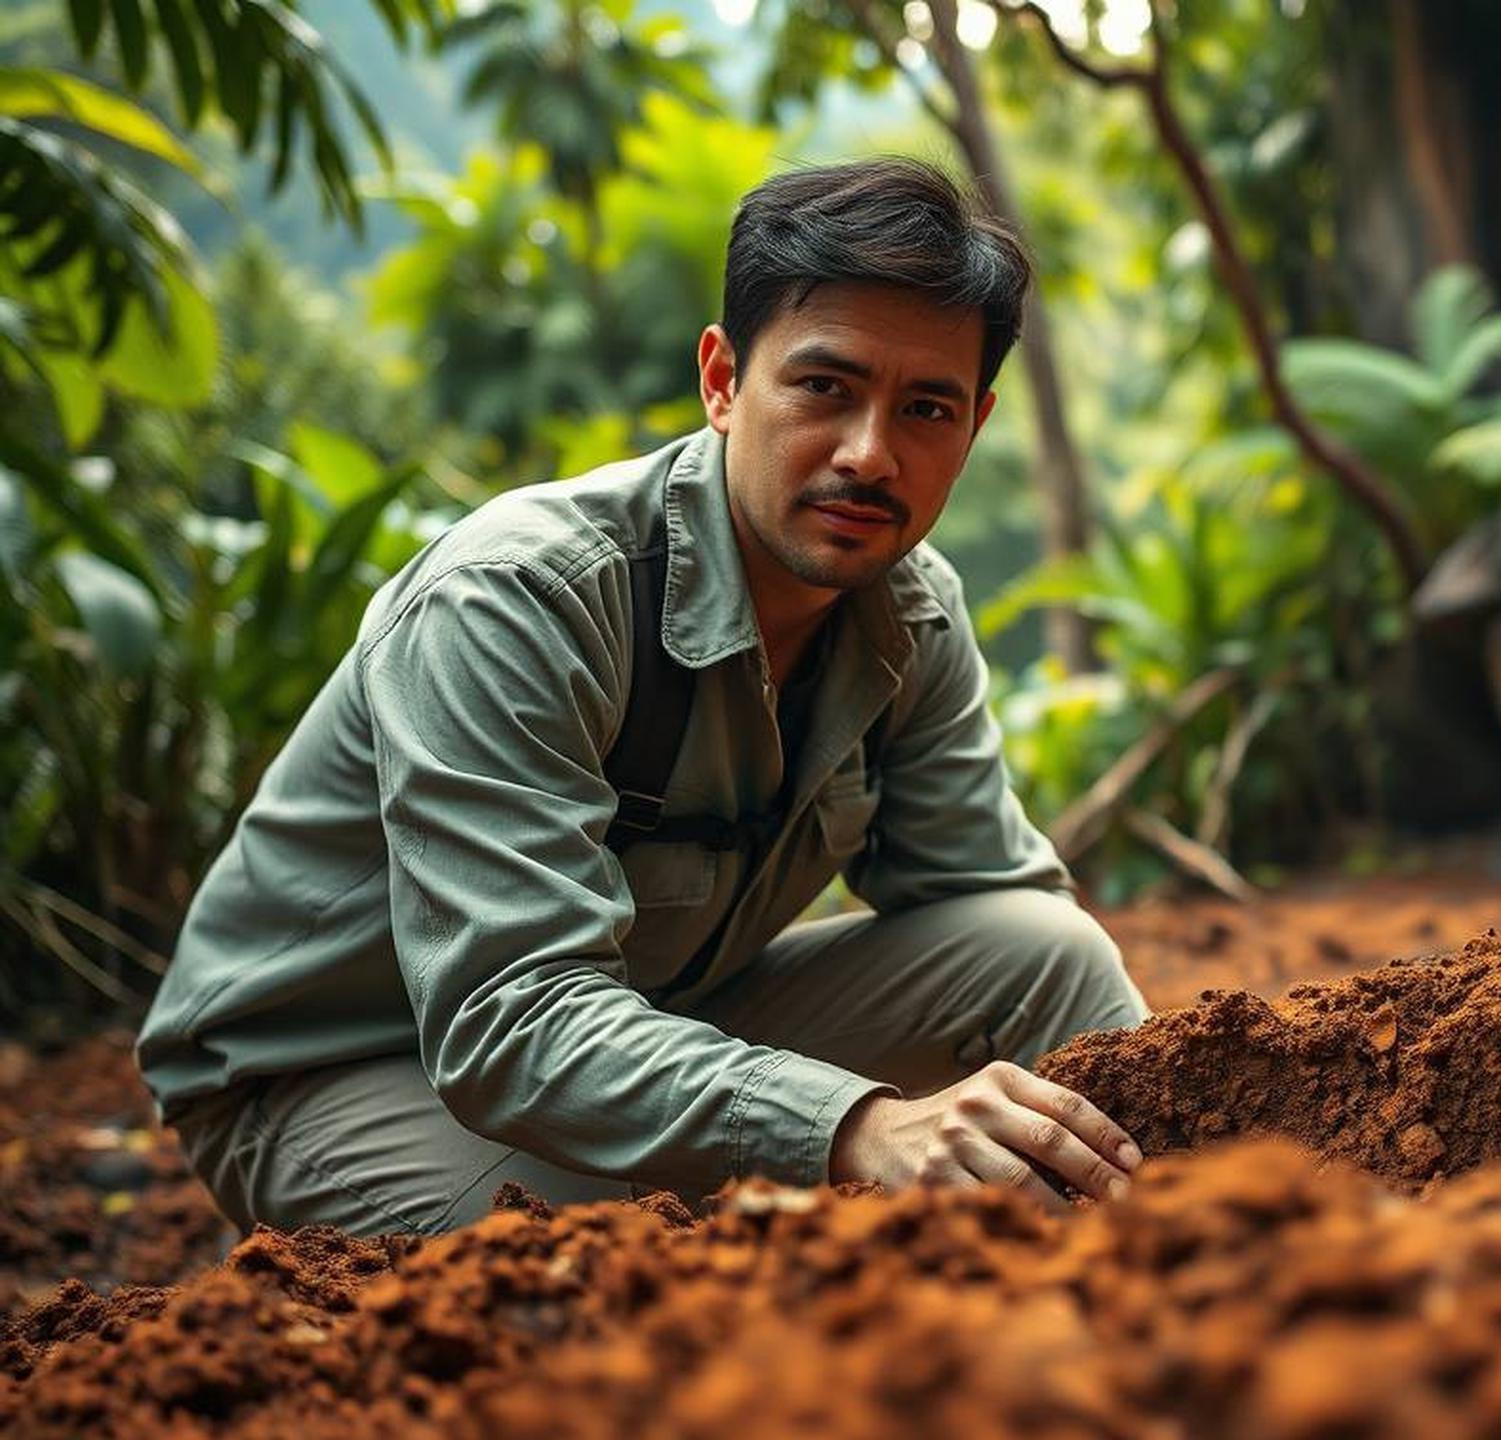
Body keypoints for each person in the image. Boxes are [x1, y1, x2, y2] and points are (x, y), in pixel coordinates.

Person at [136, 158, 1151, 1236]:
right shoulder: (520, 599)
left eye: (926, 409)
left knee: (1045, 950)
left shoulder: (911, 614)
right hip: (325, 1071)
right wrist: (857, 1127)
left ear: (974, 427)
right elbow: (510, 1018)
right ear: (722, 381)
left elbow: (986, 904)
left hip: (647, 1017)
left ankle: (1193, 1227)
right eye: (824, 387)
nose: (870, 454)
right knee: (634, 1238)